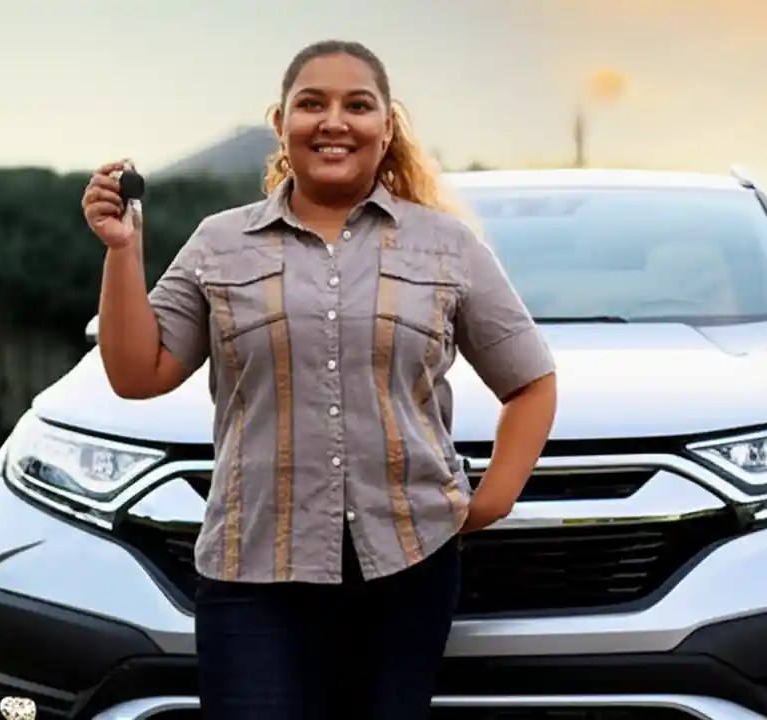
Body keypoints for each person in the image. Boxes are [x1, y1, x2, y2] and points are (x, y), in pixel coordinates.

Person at [80, 39, 558, 720]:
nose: (334, 121)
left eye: (357, 105)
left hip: (408, 570)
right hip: (253, 575)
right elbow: (136, 374)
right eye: (313, 104)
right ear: (281, 122)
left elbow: (531, 381)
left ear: (387, 127)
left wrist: (492, 499)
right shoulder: (219, 243)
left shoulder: (447, 247)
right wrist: (122, 251)